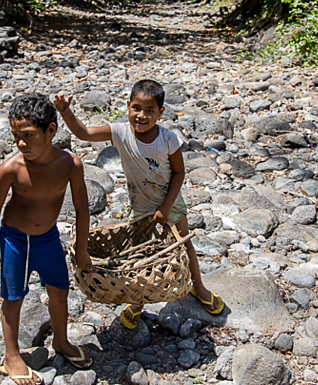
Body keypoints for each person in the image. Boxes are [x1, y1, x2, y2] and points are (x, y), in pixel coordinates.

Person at [53, 79, 224, 330]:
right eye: (136, 108)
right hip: (139, 208)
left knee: (184, 247)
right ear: (128, 106)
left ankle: (197, 287)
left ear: (160, 112)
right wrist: (66, 112)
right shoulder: (120, 132)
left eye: (149, 111)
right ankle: (138, 300)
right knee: (143, 256)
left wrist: (166, 207)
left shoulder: (168, 139)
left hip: (171, 205)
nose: (141, 116)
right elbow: (84, 133)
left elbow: (178, 173)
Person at [0, 93, 94, 385]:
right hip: (14, 241)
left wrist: (81, 249)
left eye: (29, 136)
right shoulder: (12, 168)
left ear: (51, 131)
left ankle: (61, 340)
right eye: (16, 136)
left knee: (59, 291)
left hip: (48, 239)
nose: (21, 143)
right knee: (13, 297)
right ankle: (11, 356)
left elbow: (82, 209)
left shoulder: (69, 164)